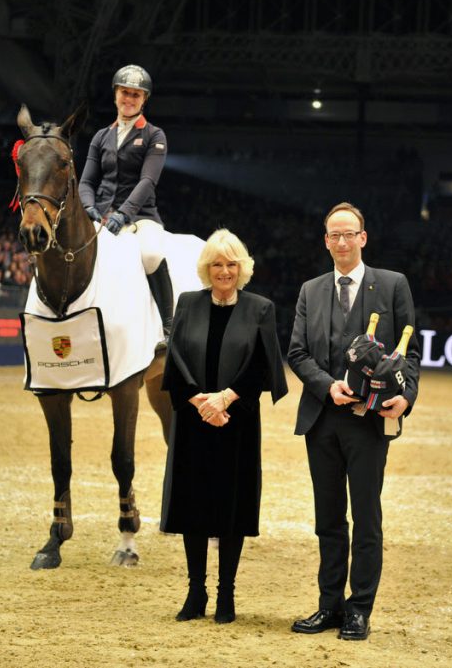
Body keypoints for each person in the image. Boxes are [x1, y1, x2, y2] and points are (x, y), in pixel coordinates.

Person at [287, 202, 420, 642]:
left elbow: (410, 356)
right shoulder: (310, 289)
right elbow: (297, 353)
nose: (341, 242)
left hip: (369, 422)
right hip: (323, 419)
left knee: (366, 518)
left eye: (349, 234)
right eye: (334, 235)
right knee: (328, 520)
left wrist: (407, 397)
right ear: (326, 240)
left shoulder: (394, 285)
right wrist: (327, 386)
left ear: (363, 238)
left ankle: (359, 609)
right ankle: (329, 606)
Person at [160, 228, 288, 624]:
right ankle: (195, 592)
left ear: (242, 268)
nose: (224, 271)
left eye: (231, 264)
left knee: (230, 509)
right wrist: (201, 400)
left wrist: (225, 398)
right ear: (206, 268)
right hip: (195, 420)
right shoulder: (188, 303)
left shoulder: (260, 308)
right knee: (193, 505)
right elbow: (175, 360)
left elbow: (264, 366)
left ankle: (225, 596)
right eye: (217, 264)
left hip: (237, 422)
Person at [78, 64, 174, 345]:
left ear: (144, 100)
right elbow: (86, 182)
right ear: (115, 94)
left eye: (136, 94)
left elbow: (147, 182)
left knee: (152, 255)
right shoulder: (100, 137)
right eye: (124, 92)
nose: (129, 99)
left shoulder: (155, 136)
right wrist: (88, 207)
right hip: (103, 215)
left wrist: (123, 214)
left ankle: (169, 326)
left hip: (141, 216)